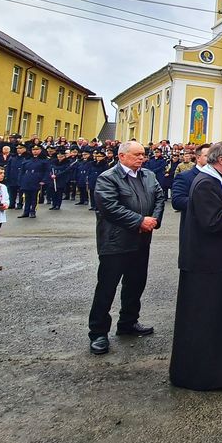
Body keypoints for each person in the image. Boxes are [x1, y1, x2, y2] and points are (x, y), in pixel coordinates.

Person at [169, 141, 222, 390]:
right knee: (207, 319)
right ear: (221, 161)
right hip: (208, 265)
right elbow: (212, 222)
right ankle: (209, 374)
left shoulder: (216, 179)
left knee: (218, 318)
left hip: (214, 262)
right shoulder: (207, 183)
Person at [87, 141, 166, 356]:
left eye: (143, 154)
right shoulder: (108, 178)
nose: (142, 158)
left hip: (141, 241)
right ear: (122, 156)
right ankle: (98, 332)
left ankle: (128, 322)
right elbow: (110, 207)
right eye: (137, 155)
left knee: (136, 283)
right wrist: (140, 220)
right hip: (115, 242)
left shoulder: (148, 176)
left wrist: (154, 220)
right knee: (107, 287)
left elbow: (160, 197)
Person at [171, 144, 210, 213]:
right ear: (198, 158)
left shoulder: (216, 176)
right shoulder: (185, 176)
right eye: (207, 156)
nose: (211, 158)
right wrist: (205, 202)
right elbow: (177, 201)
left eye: (213, 156)